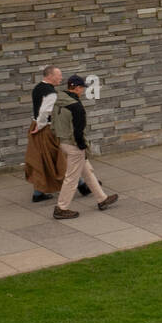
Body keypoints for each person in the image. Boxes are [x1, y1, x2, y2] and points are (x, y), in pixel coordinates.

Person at [50, 75, 118, 220]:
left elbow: (52, 121)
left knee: (87, 172)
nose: (82, 91)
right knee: (72, 178)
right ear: (77, 88)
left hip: (63, 141)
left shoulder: (57, 100)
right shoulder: (76, 107)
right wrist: (82, 146)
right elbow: (78, 131)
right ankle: (61, 208)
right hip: (74, 145)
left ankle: (102, 199)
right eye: (81, 88)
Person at [24, 65, 65, 201]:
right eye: (59, 75)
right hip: (45, 128)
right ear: (50, 76)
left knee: (40, 159)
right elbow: (45, 111)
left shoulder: (38, 87)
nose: (61, 78)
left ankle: (38, 194)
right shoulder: (51, 92)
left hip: (35, 124)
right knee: (59, 157)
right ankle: (82, 184)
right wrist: (40, 126)